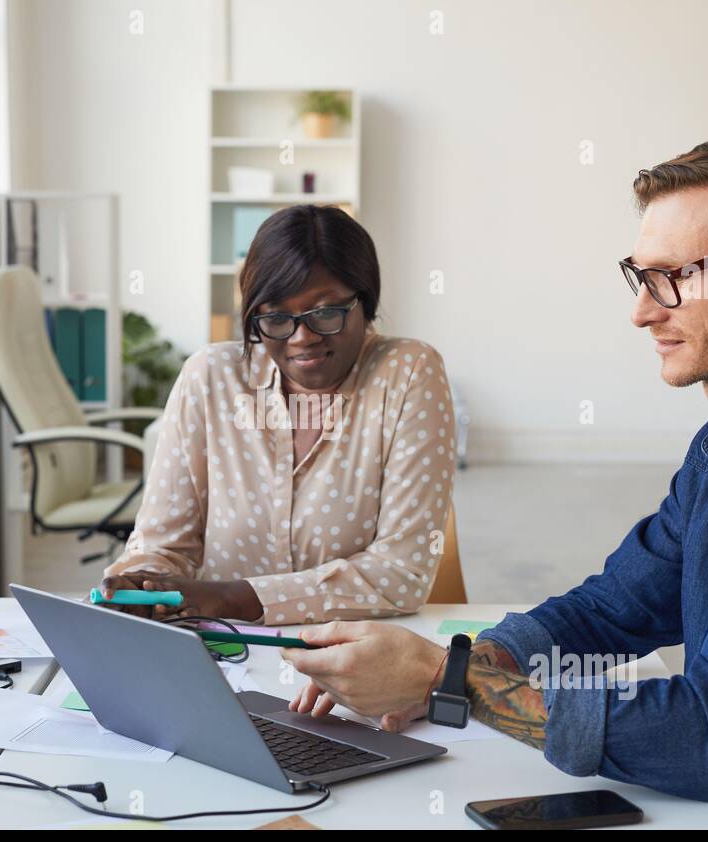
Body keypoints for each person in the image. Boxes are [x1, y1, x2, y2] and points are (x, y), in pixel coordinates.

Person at [281, 135, 708, 829]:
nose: (643, 311)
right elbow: (613, 608)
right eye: (641, 276)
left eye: (673, 276)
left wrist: (448, 683)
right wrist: (461, 661)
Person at [97, 205, 456, 624]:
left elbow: (401, 573)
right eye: (276, 318)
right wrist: (137, 586)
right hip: (225, 649)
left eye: (325, 313)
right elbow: (162, 547)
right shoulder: (210, 378)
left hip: (351, 656)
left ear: (365, 301)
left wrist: (232, 598)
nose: (302, 338)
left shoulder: (409, 372)